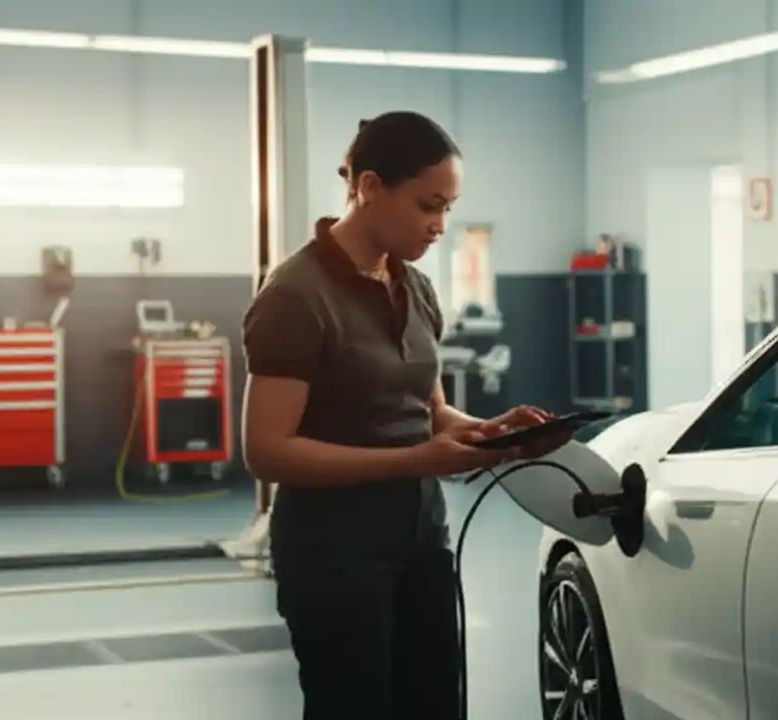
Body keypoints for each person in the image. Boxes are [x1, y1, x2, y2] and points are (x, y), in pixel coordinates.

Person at [240, 111, 573, 720]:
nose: (440, 225)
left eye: (448, 208)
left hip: (421, 540)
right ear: (369, 187)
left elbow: (430, 409)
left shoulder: (416, 288)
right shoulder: (294, 295)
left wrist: (491, 432)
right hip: (333, 555)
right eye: (428, 206)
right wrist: (418, 459)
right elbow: (267, 450)